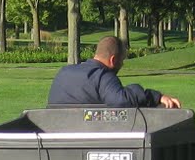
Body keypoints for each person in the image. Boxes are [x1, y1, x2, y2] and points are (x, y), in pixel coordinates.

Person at [47, 35, 182, 109]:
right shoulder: (103, 76)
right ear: (113, 59)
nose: (122, 64)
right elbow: (121, 100)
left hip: (55, 137)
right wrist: (154, 96)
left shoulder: (63, 72)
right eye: (121, 60)